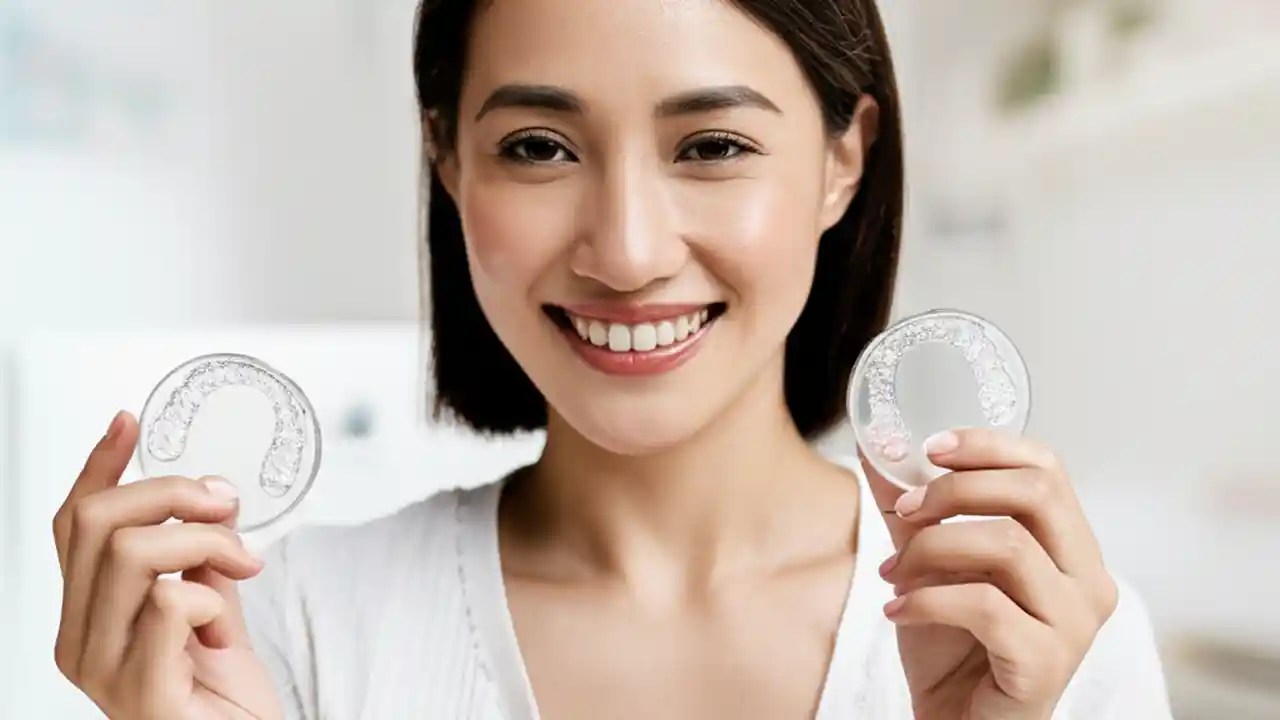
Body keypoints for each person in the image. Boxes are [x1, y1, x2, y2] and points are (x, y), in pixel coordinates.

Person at [51, 0, 1174, 717]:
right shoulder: (283, 632)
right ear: (447, 159)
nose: (627, 252)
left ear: (844, 159)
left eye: (712, 146)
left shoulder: (1045, 635)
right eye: (537, 147)